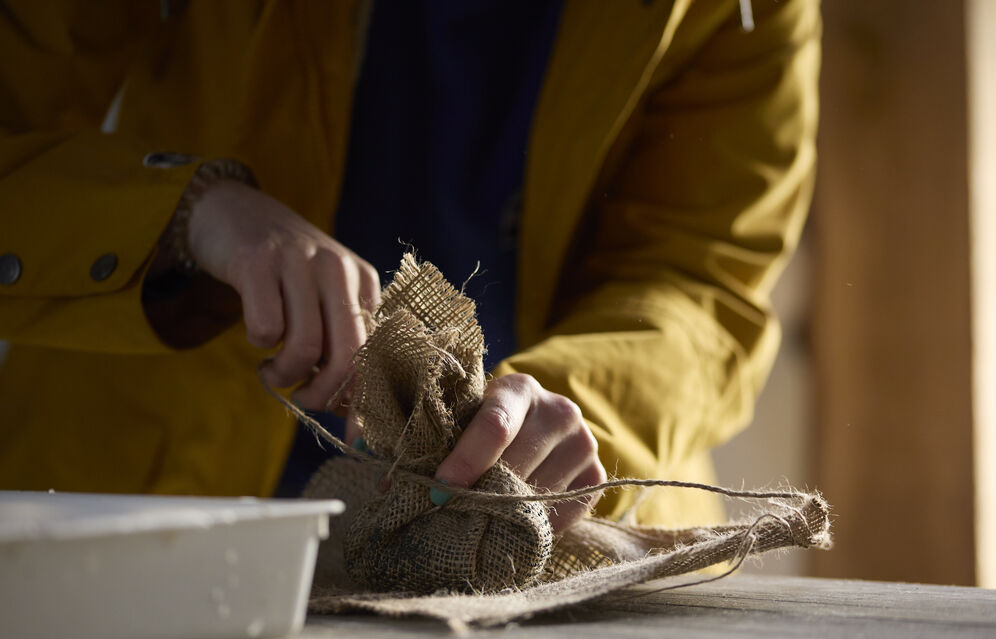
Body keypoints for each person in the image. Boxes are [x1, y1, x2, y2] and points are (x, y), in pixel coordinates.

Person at [0, 0, 820, 532]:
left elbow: (703, 280)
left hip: (549, 554)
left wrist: (579, 406)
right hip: (156, 508)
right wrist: (187, 213)